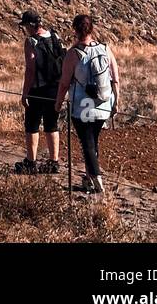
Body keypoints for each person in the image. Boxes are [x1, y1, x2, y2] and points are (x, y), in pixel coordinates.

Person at [55, 13, 120, 194]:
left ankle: (97, 179)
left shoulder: (73, 54)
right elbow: (115, 78)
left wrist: (58, 103)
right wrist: (116, 102)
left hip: (82, 106)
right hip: (103, 103)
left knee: (87, 143)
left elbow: (64, 83)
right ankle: (89, 178)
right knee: (93, 141)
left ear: (74, 30)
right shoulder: (105, 49)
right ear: (92, 29)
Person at [15, 10, 64, 174]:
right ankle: (54, 161)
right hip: (55, 88)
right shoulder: (55, 36)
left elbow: (30, 69)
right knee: (51, 124)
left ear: (30, 25)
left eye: (25, 26)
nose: (25, 30)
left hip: (37, 88)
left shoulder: (31, 41)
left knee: (32, 125)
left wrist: (25, 93)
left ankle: (31, 161)